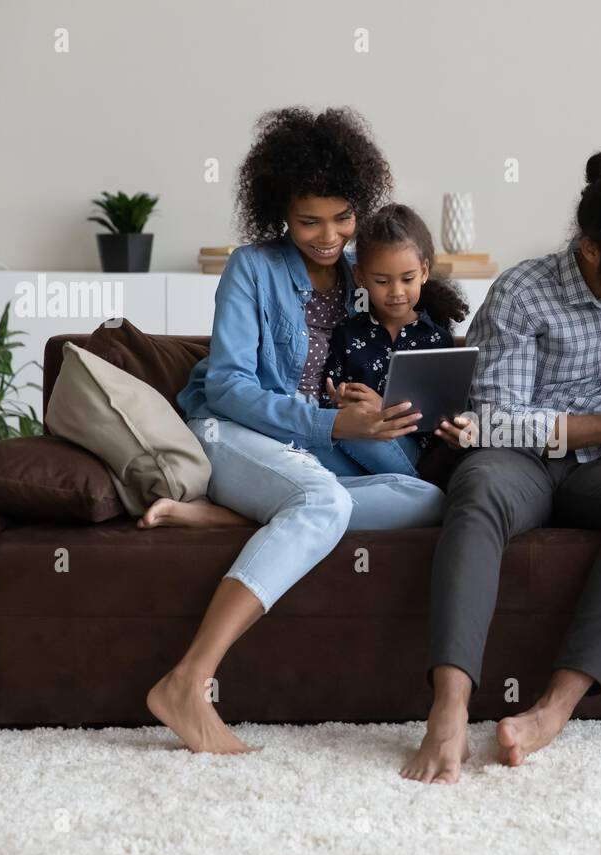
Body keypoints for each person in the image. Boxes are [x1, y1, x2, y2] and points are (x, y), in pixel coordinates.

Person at [142, 107, 445, 755]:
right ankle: (187, 682)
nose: (329, 236)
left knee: (430, 497)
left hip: (318, 447)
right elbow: (226, 387)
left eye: (343, 218)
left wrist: (381, 412)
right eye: (310, 220)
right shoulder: (252, 269)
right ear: (280, 210)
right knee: (324, 500)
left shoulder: (372, 269)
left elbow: (405, 341)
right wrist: (331, 420)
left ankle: (232, 519)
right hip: (232, 433)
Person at [402, 148, 601, 784]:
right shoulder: (525, 292)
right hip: (523, 460)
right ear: (591, 250)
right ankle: (449, 707)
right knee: (478, 487)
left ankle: (553, 710)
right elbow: (491, 419)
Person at [321, 203, 462, 476]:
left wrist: (383, 408)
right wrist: (337, 402)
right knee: (322, 445)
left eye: (407, 279)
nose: (396, 291)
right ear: (360, 277)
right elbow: (329, 408)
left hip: (412, 453)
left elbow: (443, 418)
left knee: (357, 437)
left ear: (423, 272)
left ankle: (414, 489)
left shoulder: (437, 339)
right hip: (355, 446)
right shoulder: (347, 335)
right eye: (382, 281)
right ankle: (402, 495)